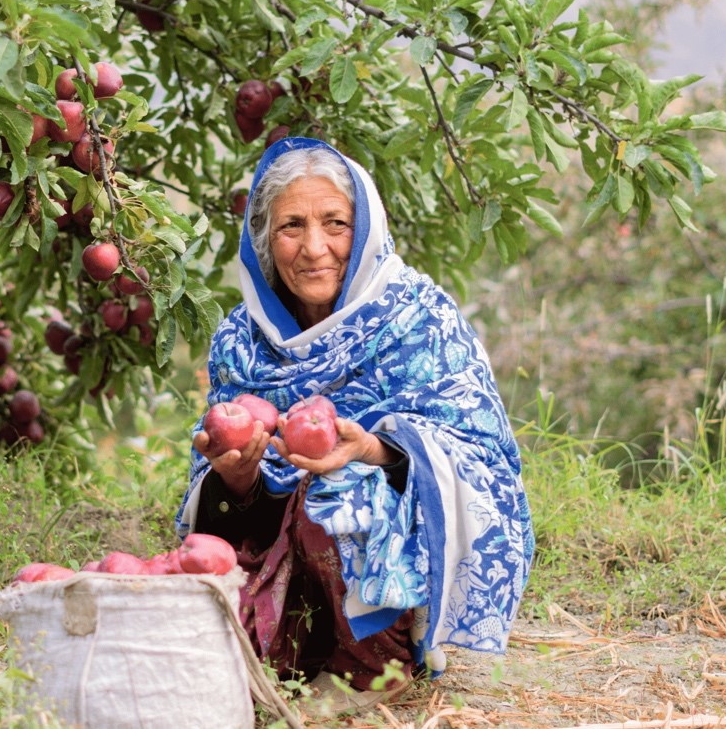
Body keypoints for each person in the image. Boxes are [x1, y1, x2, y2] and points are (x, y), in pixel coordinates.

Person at [174, 137, 534, 712]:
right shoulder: (241, 341)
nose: (315, 248)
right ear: (264, 238)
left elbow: (478, 453)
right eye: (292, 226)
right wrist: (236, 479)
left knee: (338, 486)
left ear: (365, 227)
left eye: (336, 222)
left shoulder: (419, 317)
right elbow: (222, 507)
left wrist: (373, 449)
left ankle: (378, 665)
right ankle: (291, 652)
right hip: (290, 561)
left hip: (388, 568)